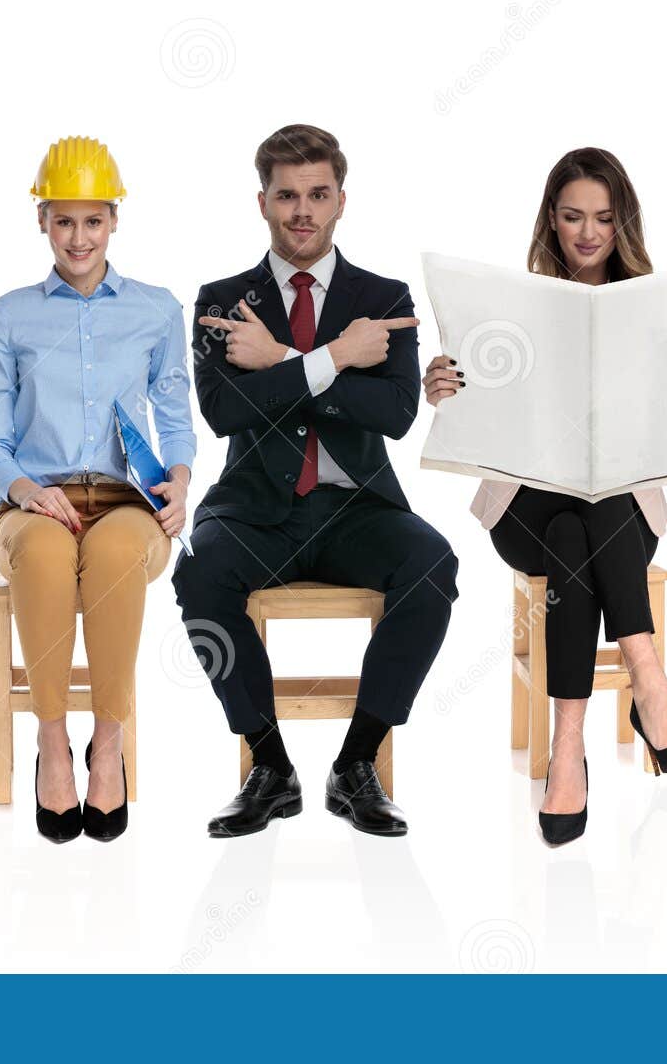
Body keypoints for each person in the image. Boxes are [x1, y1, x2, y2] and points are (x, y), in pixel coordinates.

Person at [173, 123, 458, 839]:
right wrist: (335, 358)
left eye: (318, 195)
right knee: (199, 573)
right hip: (252, 510)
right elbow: (223, 410)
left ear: (341, 201)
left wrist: (278, 361)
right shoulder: (222, 300)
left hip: (357, 508)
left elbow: (395, 412)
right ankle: (270, 766)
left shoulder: (384, 297)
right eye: (287, 196)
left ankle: (356, 761)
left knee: (432, 565)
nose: (303, 211)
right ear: (262, 203)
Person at [423, 148, 667, 846]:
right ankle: (651, 685)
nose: (588, 233)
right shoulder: (515, 308)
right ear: (551, 220)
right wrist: (442, 386)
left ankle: (568, 749)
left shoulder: (652, 311)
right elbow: (476, 409)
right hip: (524, 505)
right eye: (574, 216)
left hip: (619, 512)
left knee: (584, 519)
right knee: (571, 515)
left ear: (623, 224)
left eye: (604, 219)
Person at [0, 136, 194, 843]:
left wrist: (180, 482)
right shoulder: (9, 316)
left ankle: (108, 741)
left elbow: (174, 418)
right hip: (33, 502)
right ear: (41, 219)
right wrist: (24, 490)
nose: (78, 238)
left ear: (115, 220)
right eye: (63, 220)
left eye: (93, 220)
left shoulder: (157, 310)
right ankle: (52, 742)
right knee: (43, 553)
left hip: (128, 503)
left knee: (117, 551)